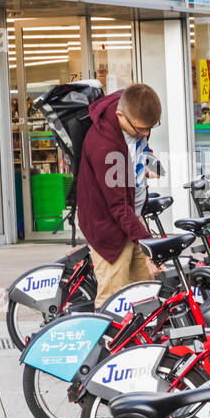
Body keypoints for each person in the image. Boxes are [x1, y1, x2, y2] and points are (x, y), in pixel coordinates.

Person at [75, 83, 162, 307]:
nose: (146, 134)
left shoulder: (132, 108)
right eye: (141, 129)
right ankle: (108, 341)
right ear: (120, 115)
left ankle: (143, 341)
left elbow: (140, 144)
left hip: (131, 217)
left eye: (151, 129)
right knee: (115, 300)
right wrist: (149, 246)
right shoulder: (105, 146)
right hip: (109, 227)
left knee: (146, 292)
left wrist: (148, 161)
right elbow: (118, 207)